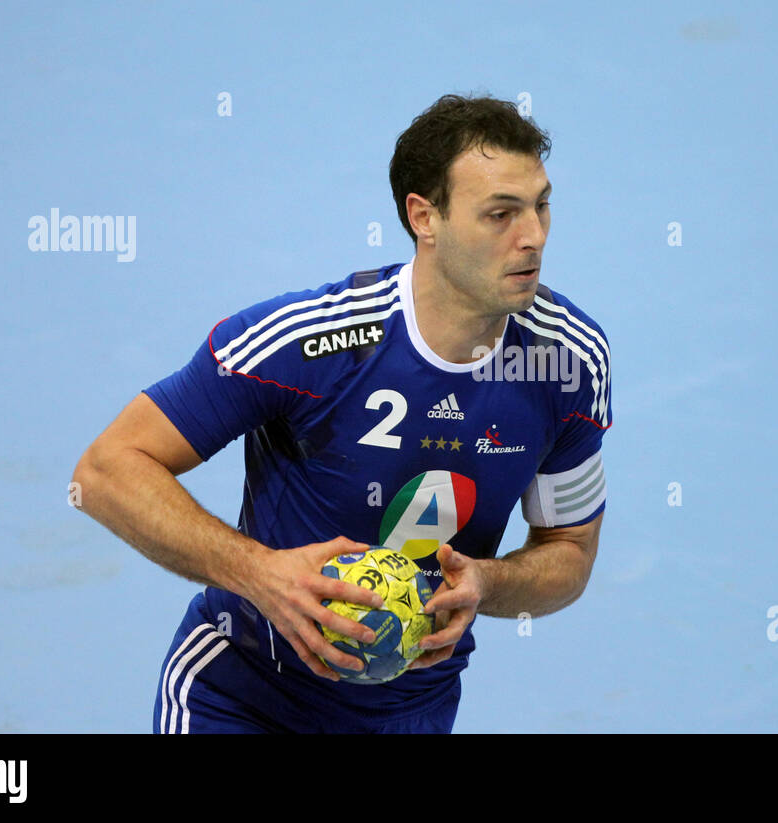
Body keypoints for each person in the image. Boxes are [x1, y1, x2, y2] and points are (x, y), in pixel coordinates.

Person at [71, 93, 613, 733]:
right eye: (500, 214)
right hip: (241, 698)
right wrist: (262, 574)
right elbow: (106, 471)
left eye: (541, 205)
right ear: (424, 217)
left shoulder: (568, 362)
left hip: (411, 712)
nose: (534, 238)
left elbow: (569, 552)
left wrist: (489, 583)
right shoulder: (307, 343)